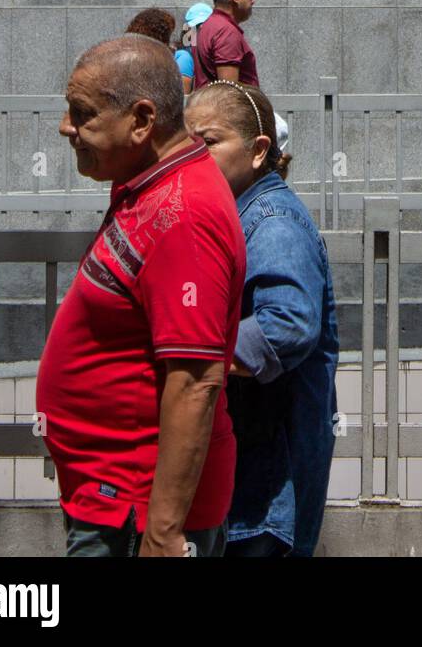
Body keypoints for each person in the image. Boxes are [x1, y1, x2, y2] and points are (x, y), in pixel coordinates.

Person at [36, 34, 246, 558]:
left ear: (142, 120)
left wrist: (163, 533)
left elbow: (196, 380)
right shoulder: (149, 180)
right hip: (114, 500)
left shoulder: (184, 214)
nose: (67, 128)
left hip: (135, 513)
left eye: (82, 114)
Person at [185, 79, 339, 558]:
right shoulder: (235, 212)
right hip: (246, 485)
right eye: (186, 144)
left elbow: (288, 324)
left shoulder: (271, 219)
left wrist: (187, 356)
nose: (193, 157)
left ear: (258, 151)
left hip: (267, 491)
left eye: (208, 143)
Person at [192, 0, 259, 89]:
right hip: (226, 106)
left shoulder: (210, 25)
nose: (253, 1)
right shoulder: (226, 32)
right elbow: (228, 91)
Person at [174, 3, 214, 93]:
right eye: (196, 26)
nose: (201, 29)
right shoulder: (185, 57)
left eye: (205, 25)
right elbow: (183, 97)